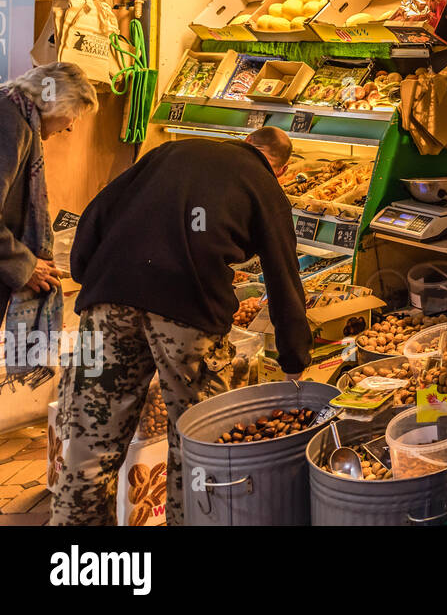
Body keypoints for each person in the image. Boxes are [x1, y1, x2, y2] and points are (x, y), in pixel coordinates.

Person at [51, 127, 313, 526]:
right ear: (282, 168)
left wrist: (90, 276)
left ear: (243, 142)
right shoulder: (263, 184)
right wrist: (294, 356)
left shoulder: (169, 153)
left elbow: (98, 211)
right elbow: (283, 273)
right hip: (187, 314)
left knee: (91, 441)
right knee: (196, 443)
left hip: (108, 302)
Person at [0, 63, 99, 382]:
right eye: (74, 116)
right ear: (56, 102)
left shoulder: (13, 112)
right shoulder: (9, 123)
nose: (70, 127)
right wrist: (24, 264)